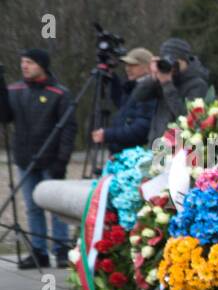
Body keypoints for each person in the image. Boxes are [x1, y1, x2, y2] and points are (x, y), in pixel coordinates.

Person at [0, 49, 75, 269]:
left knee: (55, 206)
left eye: (29, 62)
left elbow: (69, 128)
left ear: (41, 65)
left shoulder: (59, 93)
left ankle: (61, 248)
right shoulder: (15, 90)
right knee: (33, 207)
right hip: (25, 158)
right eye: (22, 62)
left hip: (51, 160)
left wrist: (62, 159)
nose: (24, 66)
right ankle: (38, 250)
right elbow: (5, 117)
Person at [138, 38, 212, 143]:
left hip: (179, 148)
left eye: (173, 62)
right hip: (156, 143)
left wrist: (167, 85)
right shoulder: (163, 76)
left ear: (184, 60)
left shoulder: (197, 84)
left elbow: (187, 119)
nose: (171, 66)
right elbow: (138, 96)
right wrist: (152, 77)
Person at [92, 47, 157, 153]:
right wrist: (112, 77)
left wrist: (108, 135)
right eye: (127, 65)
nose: (128, 68)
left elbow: (141, 129)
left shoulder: (150, 91)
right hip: (125, 153)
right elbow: (124, 104)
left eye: (133, 65)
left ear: (147, 67)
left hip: (136, 157)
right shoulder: (133, 87)